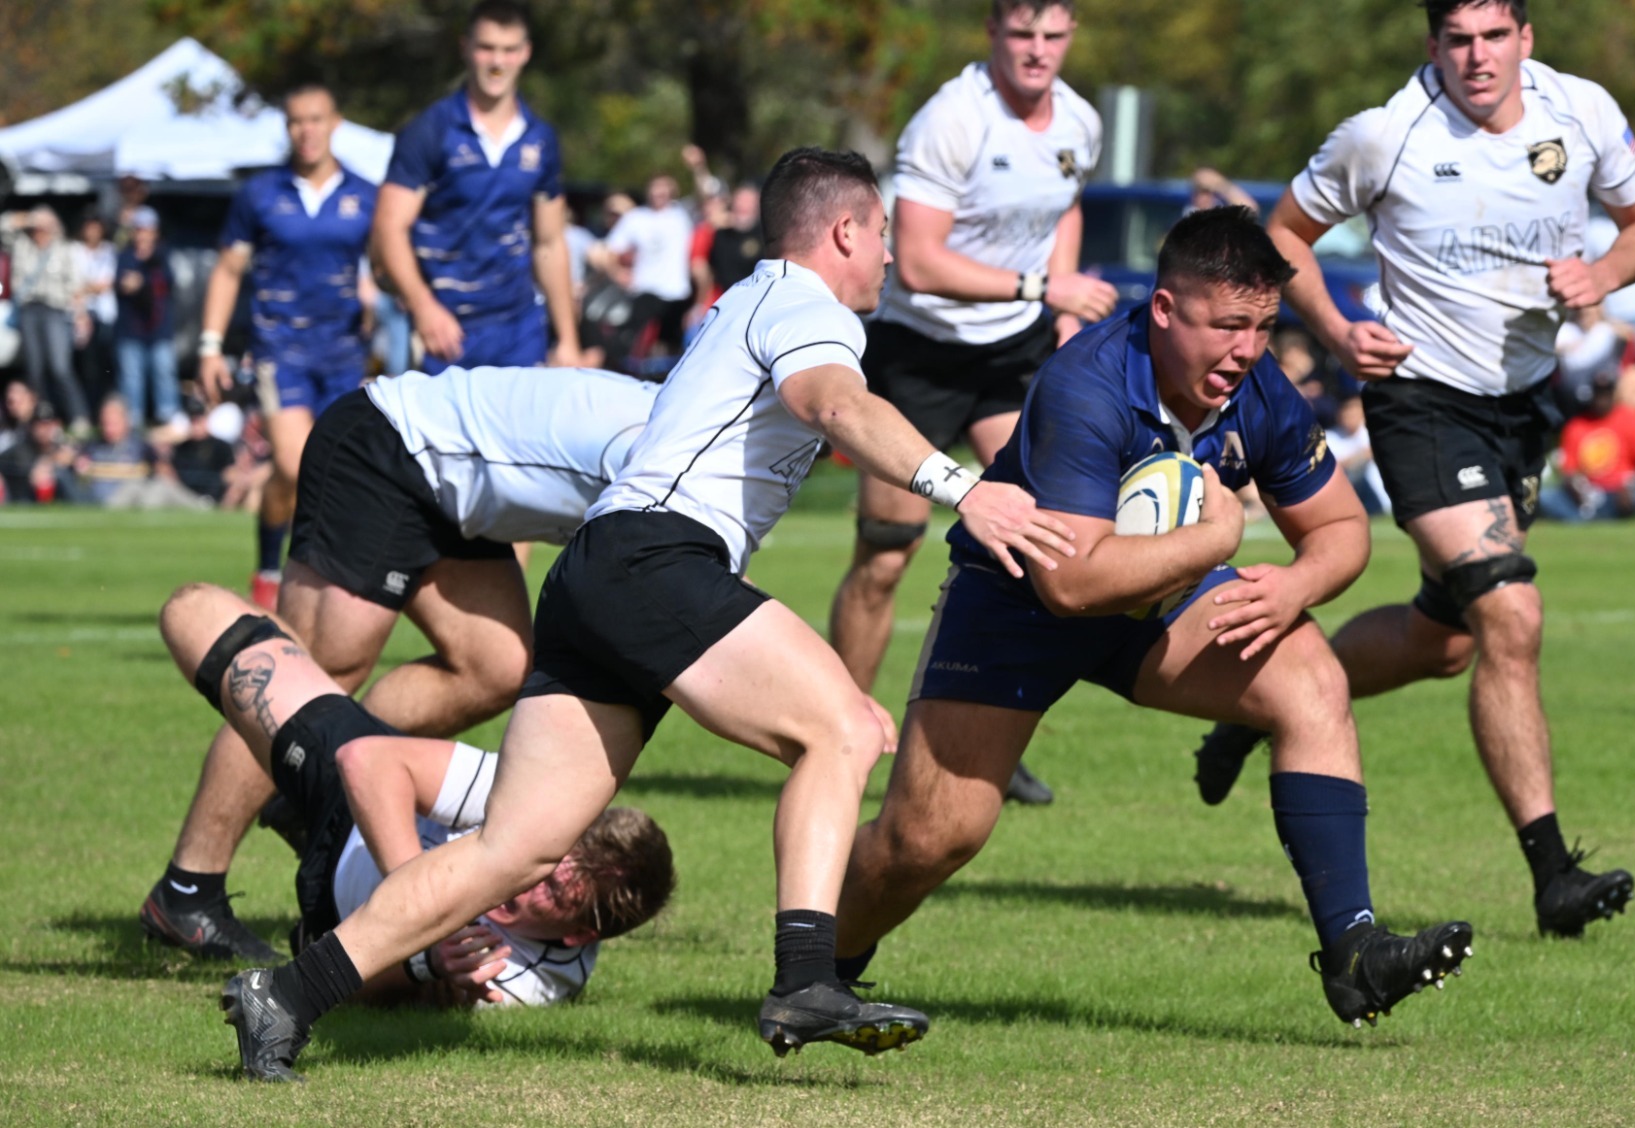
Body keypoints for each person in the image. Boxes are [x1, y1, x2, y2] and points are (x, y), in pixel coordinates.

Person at [215, 147, 1075, 1079]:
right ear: (844, 231)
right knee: (842, 729)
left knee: (514, 848)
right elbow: (832, 404)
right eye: (878, 235)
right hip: (655, 557)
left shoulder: (743, 300)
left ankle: (285, 998)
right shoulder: (807, 307)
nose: (887, 259)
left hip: (598, 569)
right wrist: (963, 488)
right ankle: (805, 978)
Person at [833, 208, 1476, 1030]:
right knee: (931, 838)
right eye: (1228, 326)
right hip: (1016, 603)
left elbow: (1342, 531)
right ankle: (821, 969)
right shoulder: (1086, 384)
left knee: (1310, 679)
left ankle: (1354, 952)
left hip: (1156, 604)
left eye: (1263, 327)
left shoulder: (1257, 389)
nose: (1246, 350)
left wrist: (1292, 588)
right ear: (1165, 310)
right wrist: (1215, 537)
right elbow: (1068, 584)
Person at [1190, 0, 1635, 937]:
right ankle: (1552, 875)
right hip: (1422, 400)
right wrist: (1334, 330)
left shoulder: (1580, 112)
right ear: (1432, 46)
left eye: (1494, 37)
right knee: (1509, 609)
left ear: (1525, 39)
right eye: (1458, 40)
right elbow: (1281, 232)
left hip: (1521, 407)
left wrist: (1604, 276)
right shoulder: (1385, 134)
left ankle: (1254, 710)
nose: (1477, 57)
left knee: (1442, 641)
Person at [139, 364, 660, 964]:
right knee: (317, 670)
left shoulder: (693, 431)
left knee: (496, 666)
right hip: (390, 448)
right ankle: (189, 890)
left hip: (453, 493)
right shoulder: (682, 447)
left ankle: (334, 782)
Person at [826, 0, 1117, 805]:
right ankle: (834, 736)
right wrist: (1041, 285)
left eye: (1052, 36)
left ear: (1069, 37)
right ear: (992, 34)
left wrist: (1056, 311)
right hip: (919, 353)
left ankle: (982, 734)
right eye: (1021, 34)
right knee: (888, 550)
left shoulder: (1080, 121)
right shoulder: (951, 120)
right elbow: (915, 261)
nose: (1036, 51)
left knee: (1033, 536)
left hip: (1010, 353)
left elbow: (1066, 207)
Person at [156, 583, 673, 1011]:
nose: (533, 881)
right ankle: (290, 808)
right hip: (348, 802)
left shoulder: (540, 978)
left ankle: (202, 892)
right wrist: (420, 913)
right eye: (551, 861)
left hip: (333, 916)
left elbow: (368, 999)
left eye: (555, 896)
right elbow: (366, 761)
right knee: (196, 611)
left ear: (580, 935)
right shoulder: (538, 800)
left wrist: (420, 966)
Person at [199, 84, 380, 611]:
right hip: (281, 346)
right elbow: (229, 269)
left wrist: (385, 288)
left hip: (344, 352)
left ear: (335, 123)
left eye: (316, 119)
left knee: (334, 474)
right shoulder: (260, 194)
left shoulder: (366, 194)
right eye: (297, 121)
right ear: (287, 127)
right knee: (297, 464)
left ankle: (310, 583)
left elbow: (391, 262)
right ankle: (271, 570)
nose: (307, 131)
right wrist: (211, 346)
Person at [373, 0, 579, 375]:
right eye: (487, 48)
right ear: (465, 47)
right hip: (446, 330)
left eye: (509, 49)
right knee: (443, 437)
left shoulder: (540, 139)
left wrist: (567, 339)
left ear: (525, 53)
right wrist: (423, 307)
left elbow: (549, 243)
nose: (497, 62)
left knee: (525, 434)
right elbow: (389, 227)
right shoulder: (429, 131)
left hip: (519, 327)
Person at [3, 207, 91, 432]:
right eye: (36, 227)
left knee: (59, 366)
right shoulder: (23, 245)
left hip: (55, 310)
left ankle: (79, 417)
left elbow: (75, 286)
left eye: (43, 227)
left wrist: (81, 314)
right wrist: (28, 217)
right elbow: (3, 225)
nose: (39, 232)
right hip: (29, 309)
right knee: (35, 368)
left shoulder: (63, 249)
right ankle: (42, 418)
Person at [1538, 367, 1635, 522]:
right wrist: (1579, 490)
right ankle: (1592, 515)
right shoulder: (1576, 425)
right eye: (1599, 394)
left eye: (1606, 394)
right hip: (1591, 493)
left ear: (1614, 394)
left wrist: (1631, 484)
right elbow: (1568, 471)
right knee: (1542, 497)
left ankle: (1588, 517)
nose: (1602, 399)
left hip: (1624, 489)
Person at [604, 173, 696, 360]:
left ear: (671, 190)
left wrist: (697, 168)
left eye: (662, 187)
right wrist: (617, 273)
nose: (657, 193)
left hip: (677, 292)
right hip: (645, 289)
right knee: (629, 341)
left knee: (672, 348)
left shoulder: (682, 214)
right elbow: (609, 251)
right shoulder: (636, 218)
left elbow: (708, 195)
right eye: (654, 187)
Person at [114, 207, 183, 431]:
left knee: (164, 372)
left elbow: (167, 282)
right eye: (139, 230)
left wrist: (141, 279)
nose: (143, 234)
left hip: (159, 329)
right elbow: (120, 283)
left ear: (155, 232)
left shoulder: (163, 255)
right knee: (131, 377)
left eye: (147, 230)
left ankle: (168, 419)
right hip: (130, 329)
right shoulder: (124, 255)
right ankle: (132, 425)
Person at [72, 215, 121, 411]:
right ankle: (90, 409)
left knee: (107, 365)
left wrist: (86, 287)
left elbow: (107, 283)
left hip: (106, 316)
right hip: (82, 316)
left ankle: (106, 408)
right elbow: (75, 283)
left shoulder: (110, 251)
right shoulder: (74, 251)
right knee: (86, 367)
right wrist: (90, 288)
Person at [707, 183, 765, 295]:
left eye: (748, 201)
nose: (741, 205)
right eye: (739, 200)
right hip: (722, 298)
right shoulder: (721, 233)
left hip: (751, 298)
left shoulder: (764, 235)